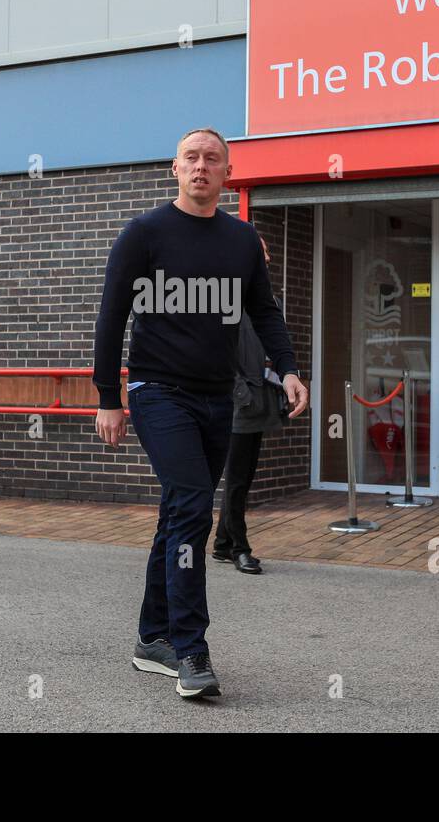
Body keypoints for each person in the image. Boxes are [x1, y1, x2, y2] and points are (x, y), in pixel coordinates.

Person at [93, 127, 309, 699]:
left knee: (178, 513)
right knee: (192, 507)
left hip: (218, 396)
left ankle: (151, 637)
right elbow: (111, 317)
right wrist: (108, 398)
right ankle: (191, 649)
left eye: (212, 159)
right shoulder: (144, 234)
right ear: (175, 168)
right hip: (157, 390)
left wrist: (287, 368)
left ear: (227, 172)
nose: (201, 166)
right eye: (191, 157)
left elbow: (264, 312)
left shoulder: (241, 241)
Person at [212, 236, 285, 575]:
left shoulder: (269, 299)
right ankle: (240, 548)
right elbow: (220, 355)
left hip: (262, 399)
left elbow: (276, 344)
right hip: (238, 402)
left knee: (244, 477)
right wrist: (240, 394)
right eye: (261, 253)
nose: (266, 259)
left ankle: (222, 544)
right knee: (238, 478)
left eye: (266, 254)